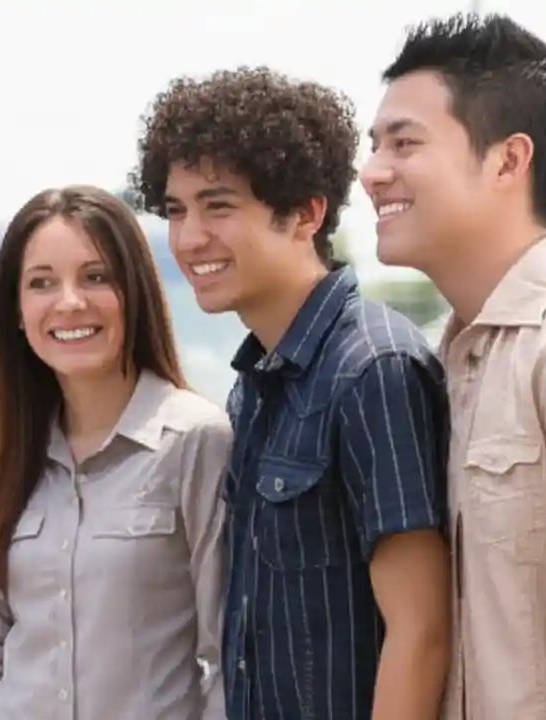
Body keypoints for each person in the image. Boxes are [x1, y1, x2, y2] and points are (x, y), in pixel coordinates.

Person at [132, 66, 453, 720]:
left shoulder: (372, 369)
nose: (190, 238)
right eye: (176, 210)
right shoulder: (252, 392)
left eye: (219, 206)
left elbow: (421, 631)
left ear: (305, 213)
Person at [364, 13, 546, 719]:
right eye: (374, 144)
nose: (372, 171)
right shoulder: (435, 365)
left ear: (508, 161)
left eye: (405, 143)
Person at [0, 185, 232, 719]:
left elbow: (226, 655)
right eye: (41, 283)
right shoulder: (10, 454)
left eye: (95, 277)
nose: (69, 301)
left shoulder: (196, 440)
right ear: (16, 309)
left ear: (135, 292)